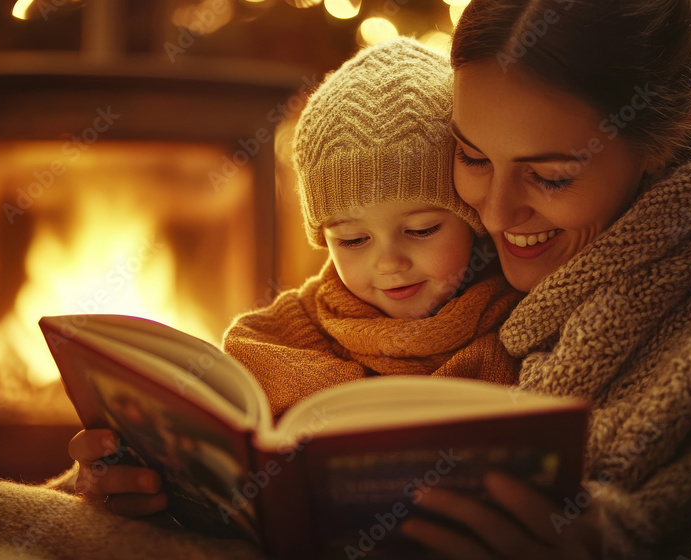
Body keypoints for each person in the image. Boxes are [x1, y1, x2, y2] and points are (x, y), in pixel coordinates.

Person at [390, 1, 691, 559]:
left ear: (663, 142)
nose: (495, 214)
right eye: (473, 158)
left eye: (551, 177)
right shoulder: (448, 247)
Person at [67, 36, 522, 520]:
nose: (389, 263)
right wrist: (130, 471)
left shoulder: (518, 327)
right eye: (353, 239)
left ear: (473, 219)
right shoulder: (272, 339)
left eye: (421, 230)